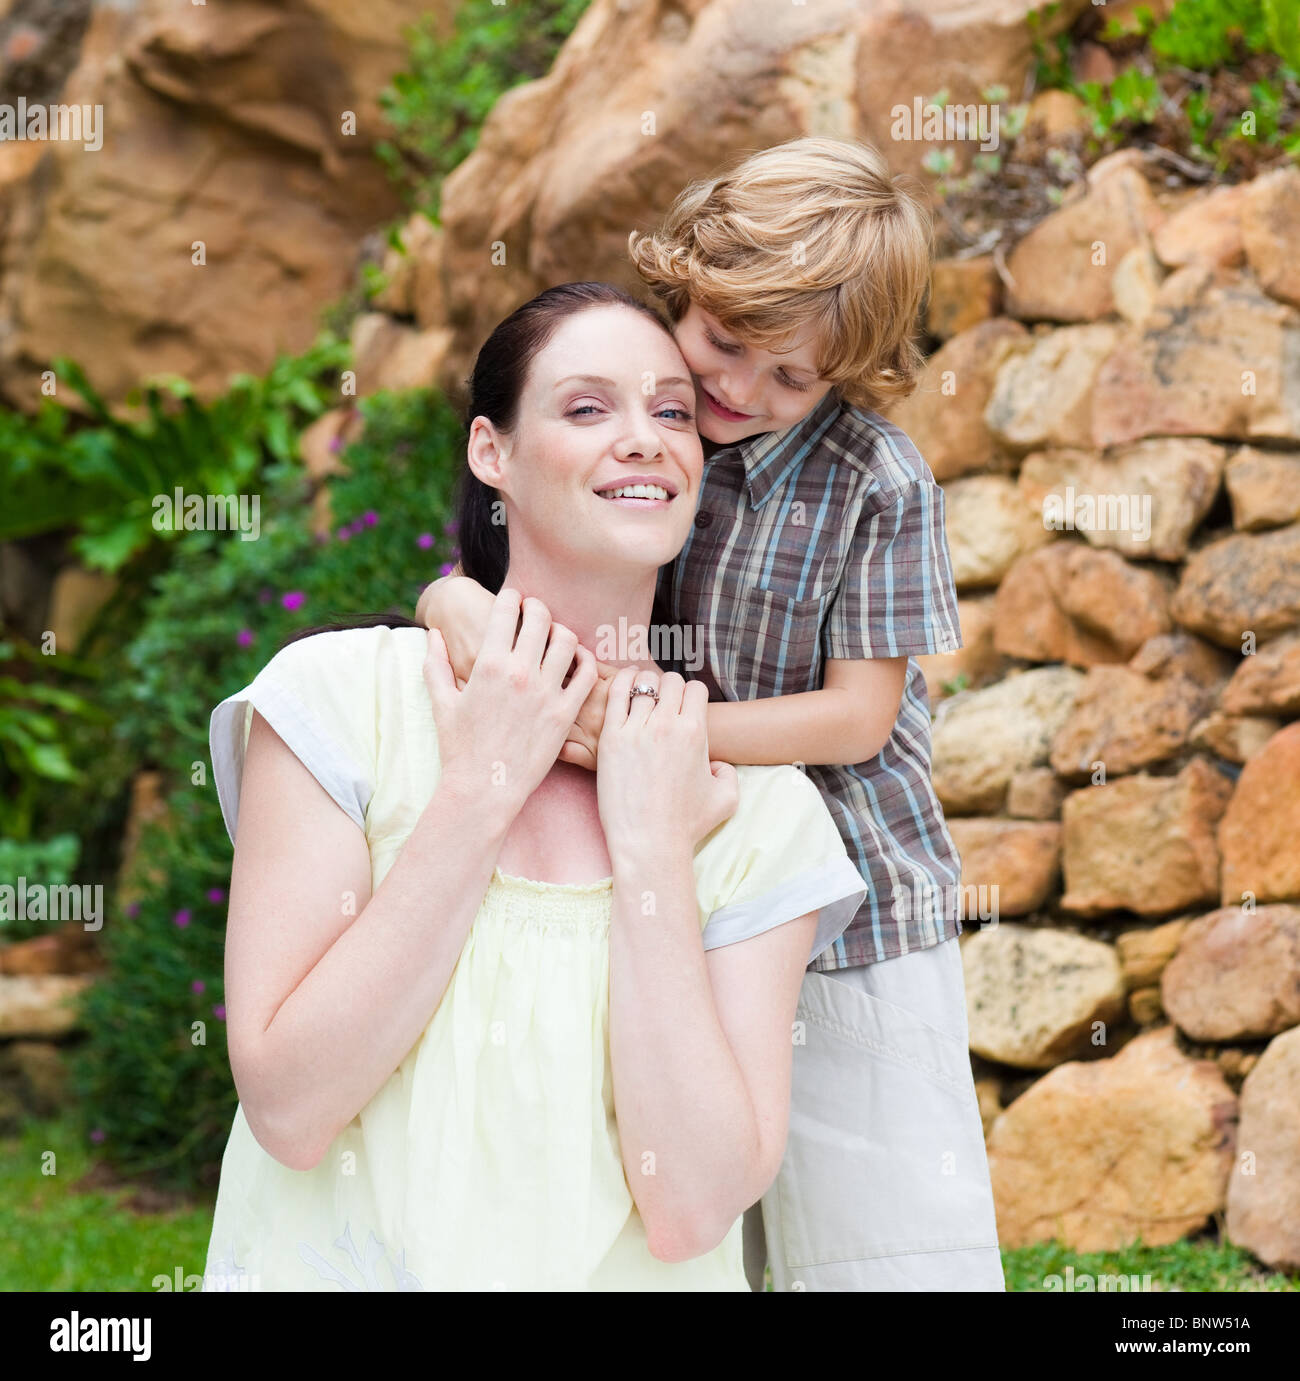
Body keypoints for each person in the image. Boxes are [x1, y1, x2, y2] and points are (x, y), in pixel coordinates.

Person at [418, 137, 1005, 1291]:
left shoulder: (874, 481)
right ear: (685, 284)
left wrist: (644, 735)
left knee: (882, 1235)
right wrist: (450, 601)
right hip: (673, 876)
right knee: (683, 1215)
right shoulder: (650, 423)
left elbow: (855, 719)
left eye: (792, 379)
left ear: (850, 375)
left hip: (855, 907)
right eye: (728, 345)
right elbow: (505, 562)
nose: (740, 392)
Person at [200, 281, 867, 1292]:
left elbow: (690, 1206)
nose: (643, 438)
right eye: (587, 406)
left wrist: (650, 849)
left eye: (673, 411)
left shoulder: (757, 810)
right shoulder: (339, 703)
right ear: (490, 452)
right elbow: (291, 1110)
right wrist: (481, 785)